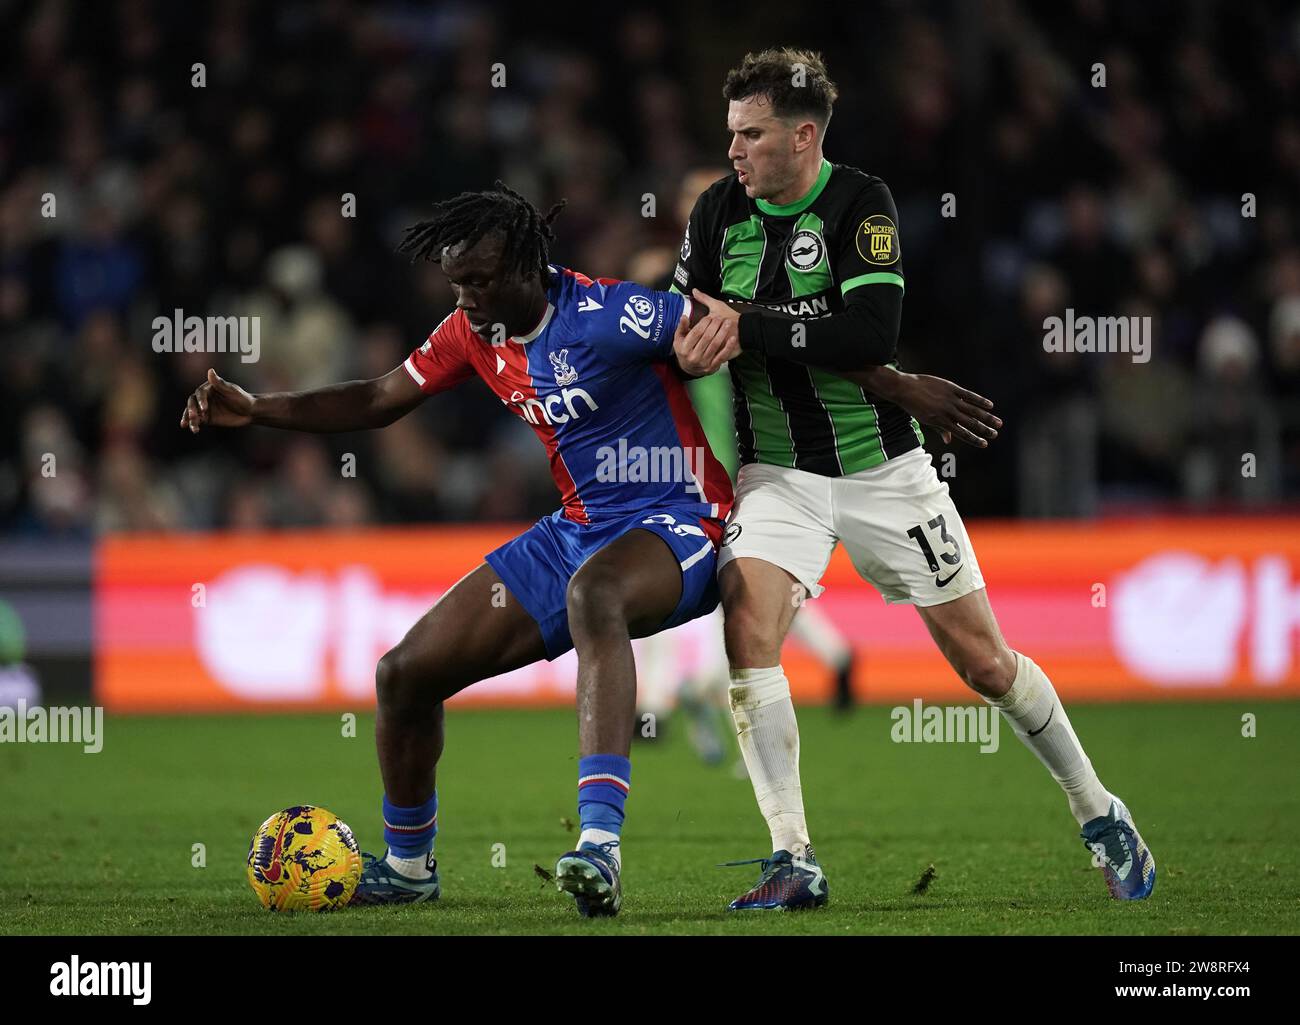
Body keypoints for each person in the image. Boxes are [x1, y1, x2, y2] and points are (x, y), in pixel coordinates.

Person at [671, 49, 1155, 909]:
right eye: (732, 134)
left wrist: (747, 322)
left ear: (803, 136)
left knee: (985, 664)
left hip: (884, 470)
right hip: (774, 472)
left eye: (751, 135)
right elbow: (686, 322)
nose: (735, 152)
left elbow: (868, 329)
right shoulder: (716, 213)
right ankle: (792, 856)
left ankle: (1099, 808)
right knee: (747, 631)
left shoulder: (863, 203)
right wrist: (713, 330)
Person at [180, 182, 738, 918]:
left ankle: (599, 845)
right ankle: (410, 867)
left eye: (479, 281)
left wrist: (738, 329)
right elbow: (380, 399)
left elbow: (732, 328)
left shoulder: (614, 313)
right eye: (456, 283)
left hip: (680, 516)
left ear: (528, 266)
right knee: (405, 673)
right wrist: (258, 411)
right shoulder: (472, 334)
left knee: (594, 594)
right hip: (578, 528)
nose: (467, 298)